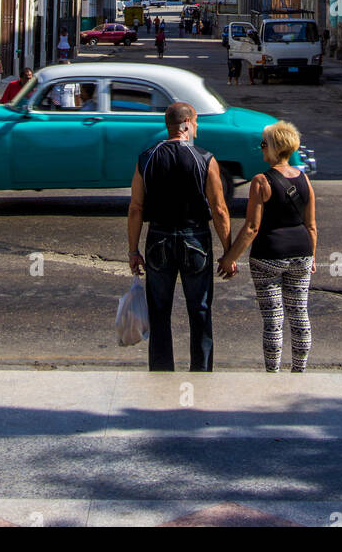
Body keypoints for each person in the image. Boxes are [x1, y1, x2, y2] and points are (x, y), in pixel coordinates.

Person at [127, 101, 234, 371]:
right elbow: (219, 209)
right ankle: (202, 370)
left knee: (159, 311)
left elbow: (136, 208)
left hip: (158, 239)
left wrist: (133, 250)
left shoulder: (146, 158)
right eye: (196, 122)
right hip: (195, 238)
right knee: (200, 310)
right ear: (187, 124)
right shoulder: (205, 158)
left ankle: (162, 371)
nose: (197, 127)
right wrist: (228, 251)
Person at [217, 120, 316, 373]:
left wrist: (230, 258)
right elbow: (311, 225)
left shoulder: (261, 181)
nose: (261, 148)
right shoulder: (304, 179)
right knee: (299, 314)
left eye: (264, 144)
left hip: (268, 256)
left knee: (273, 319)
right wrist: (311, 257)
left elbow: (251, 228)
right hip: (301, 253)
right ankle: (299, 371)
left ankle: (272, 373)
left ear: (273, 147)